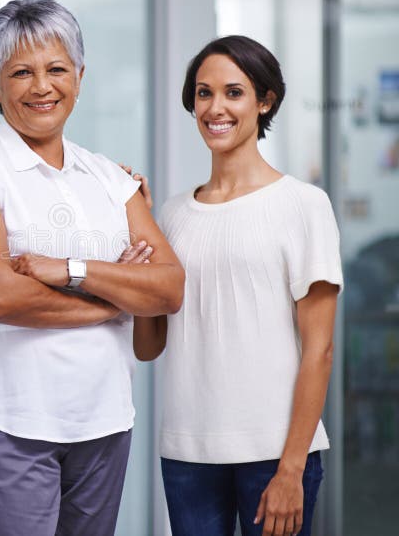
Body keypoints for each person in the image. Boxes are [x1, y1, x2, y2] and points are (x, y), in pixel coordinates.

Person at [0, 0, 184, 536]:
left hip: (104, 423)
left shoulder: (111, 178)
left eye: (57, 69)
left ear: (80, 77)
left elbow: (168, 288)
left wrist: (70, 270)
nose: (41, 86)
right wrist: (117, 299)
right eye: (21, 72)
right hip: (5, 425)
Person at [133, 35, 342, 536]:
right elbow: (148, 346)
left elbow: (319, 350)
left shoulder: (303, 205)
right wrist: (138, 246)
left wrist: (291, 469)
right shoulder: (172, 214)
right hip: (187, 450)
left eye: (234, 92)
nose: (215, 108)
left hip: (275, 452)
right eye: (204, 93)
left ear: (265, 101)